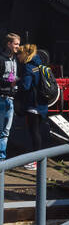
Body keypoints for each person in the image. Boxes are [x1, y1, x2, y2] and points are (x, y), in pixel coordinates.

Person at [16, 43, 51, 170]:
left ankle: (35, 161)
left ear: (24, 54)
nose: (17, 57)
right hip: (42, 104)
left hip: (33, 104)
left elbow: (26, 86)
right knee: (37, 132)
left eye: (18, 54)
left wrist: (17, 82)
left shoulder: (28, 67)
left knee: (34, 132)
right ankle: (38, 159)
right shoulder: (39, 64)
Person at [0, 31, 21, 162]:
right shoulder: (1, 59)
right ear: (9, 44)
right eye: (16, 44)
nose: (18, 47)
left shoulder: (15, 59)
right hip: (1, 97)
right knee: (1, 131)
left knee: (5, 132)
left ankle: (2, 158)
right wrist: (10, 82)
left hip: (11, 98)